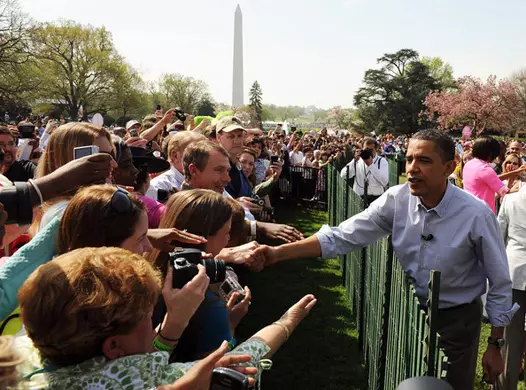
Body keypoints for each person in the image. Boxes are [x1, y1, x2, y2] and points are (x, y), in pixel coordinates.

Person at [260, 129, 517, 390]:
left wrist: (495, 345)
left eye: (424, 161)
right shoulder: (397, 199)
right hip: (408, 311)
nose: (413, 169)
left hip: (456, 322)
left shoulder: (476, 215)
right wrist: (277, 253)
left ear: (449, 167)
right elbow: (343, 236)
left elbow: (499, 281)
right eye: (409, 160)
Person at [18, 247, 317, 389]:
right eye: (149, 316)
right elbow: (247, 356)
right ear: (112, 347)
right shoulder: (134, 378)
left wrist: (173, 326)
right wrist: (286, 323)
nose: (154, 322)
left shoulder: (26, 360)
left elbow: (147, 355)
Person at [181, 140, 304, 244]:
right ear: (194, 170)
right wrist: (260, 228)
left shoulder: (215, 193)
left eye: (228, 171)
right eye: (219, 170)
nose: (227, 179)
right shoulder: (185, 206)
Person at [35, 122, 117, 230]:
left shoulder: (87, 206)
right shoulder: (65, 213)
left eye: (111, 155)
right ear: (70, 159)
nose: (115, 164)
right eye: (101, 156)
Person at [497, 184, 526, 389]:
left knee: (511, 340)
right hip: (515, 274)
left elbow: (499, 238)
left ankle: (506, 385)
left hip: (515, 272)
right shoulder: (510, 199)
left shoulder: (511, 200)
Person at [463, 137, 524, 213]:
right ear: (491, 153)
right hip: (483, 213)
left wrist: (514, 172)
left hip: (468, 209)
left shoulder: (469, 164)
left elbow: (492, 179)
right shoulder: (486, 169)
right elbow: (505, 192)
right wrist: (512, 179)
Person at [146, 131, 206, 201]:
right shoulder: (157, 188)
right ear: (175, 156)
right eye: (196, 154)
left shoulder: (214, 181)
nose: (204, 159)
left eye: (206, 154)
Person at [340, 137, 389, 204]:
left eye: (371, 150)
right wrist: (354, 161)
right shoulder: (357, 161)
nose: (368, 152)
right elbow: (343, 175)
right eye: (366, 149)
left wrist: (371, 165)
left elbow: (384, 182)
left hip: (376, 198)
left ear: (376, 149)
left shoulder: (382, 161)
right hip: (359, 198)